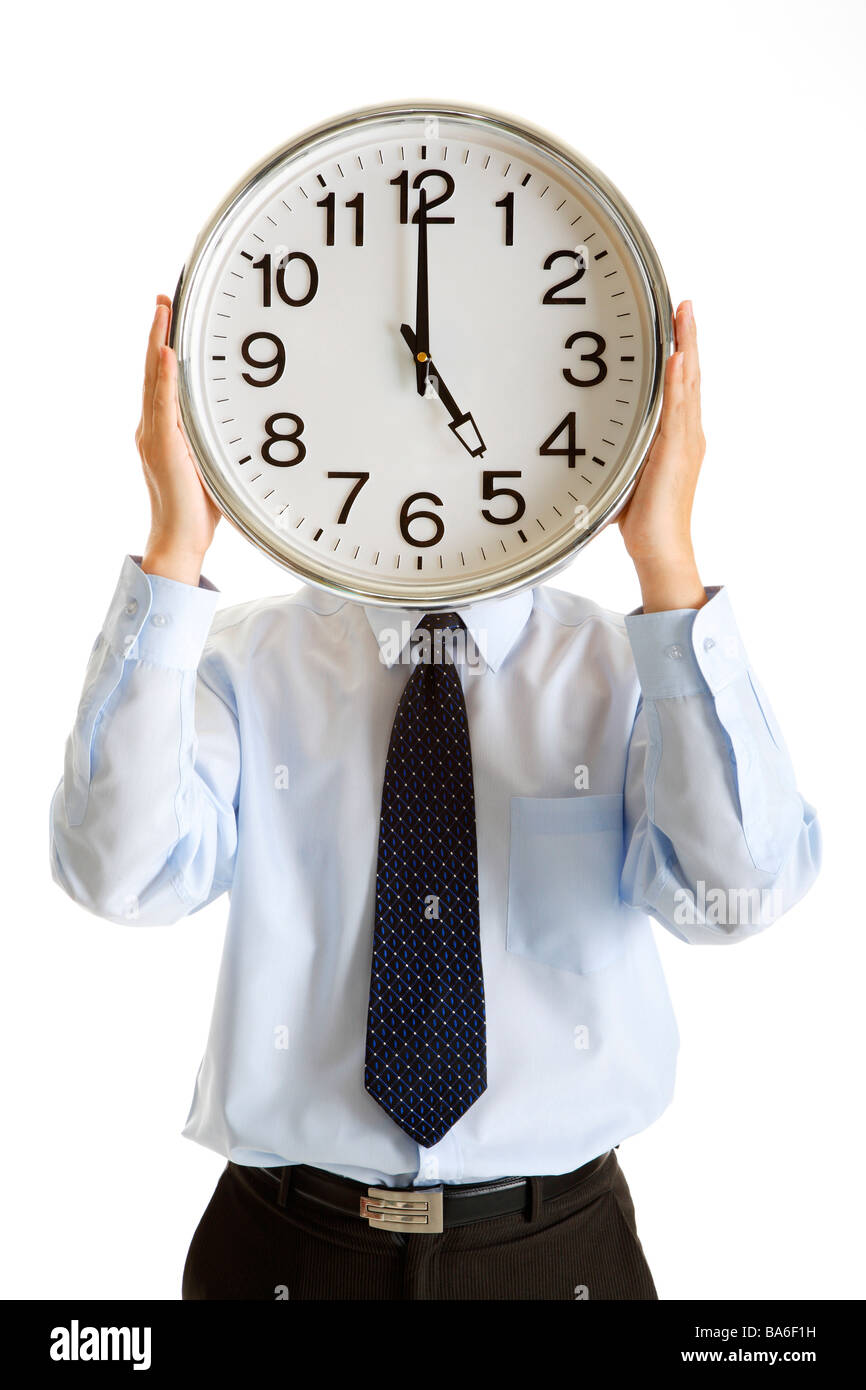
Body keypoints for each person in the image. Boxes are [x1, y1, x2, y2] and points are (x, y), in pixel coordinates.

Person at [49, 295, 820, 1301]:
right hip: (284, 1249)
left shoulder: (625, 666)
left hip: (557, 1256)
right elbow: (116, 876)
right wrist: (175, 553)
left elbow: (738, 895)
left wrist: (664, 562)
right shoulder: (237, 660)